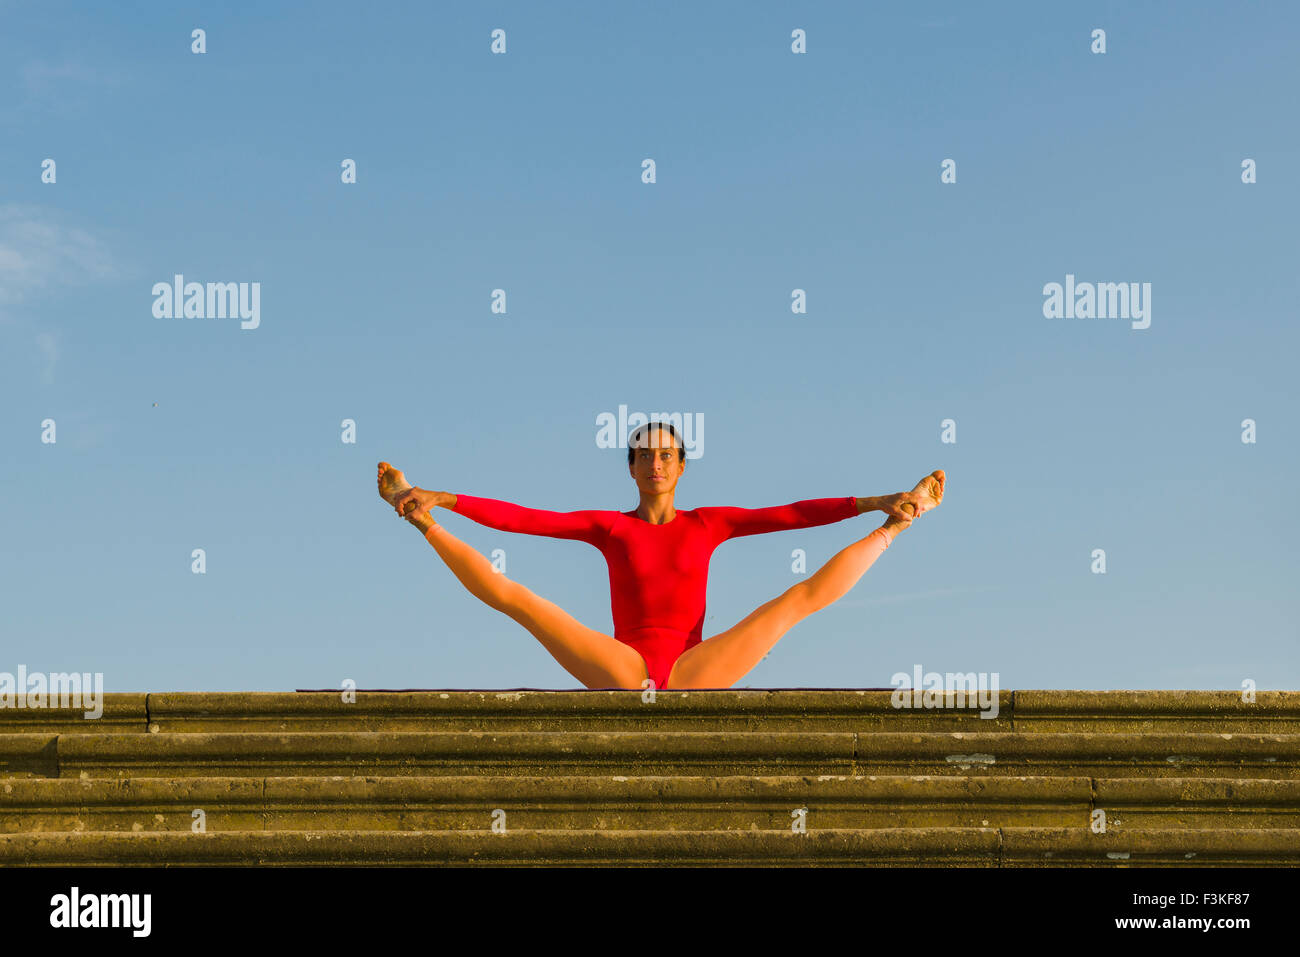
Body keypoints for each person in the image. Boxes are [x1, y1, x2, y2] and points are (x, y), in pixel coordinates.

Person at [377, 422, 943, 689]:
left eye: (667, 456)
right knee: (520, 599)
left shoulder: (708, 524)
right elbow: (526, 519)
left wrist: (875, 502)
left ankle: (896, 525)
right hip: (623, 667)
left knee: (794, 601)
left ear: (681, 466)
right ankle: (420, 518)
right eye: (644, 457)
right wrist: (442, 498)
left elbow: (792, 514)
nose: (656, 465)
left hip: (696, 670)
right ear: (630, 468)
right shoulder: (609, 527)